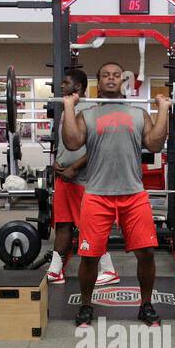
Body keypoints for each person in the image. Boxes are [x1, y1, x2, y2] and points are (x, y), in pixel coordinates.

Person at [60, 60, 169, 328]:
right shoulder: (87, 115)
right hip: (97, 194)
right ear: (99, 82)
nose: (111, 78)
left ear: (123, 81)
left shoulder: (137, 113)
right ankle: (86, 306)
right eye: (105, 75)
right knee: (90, 256)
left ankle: (145, 305)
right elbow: (72, 142)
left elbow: (154, 144)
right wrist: (68, 106)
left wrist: (163, 110)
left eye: (116, 75)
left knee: (146, 254)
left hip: (133, 194)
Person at [47, 68, 118, 286]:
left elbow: (99, 148)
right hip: (63, 180)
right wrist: (57, 164)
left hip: (82, 180)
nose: (60, 86)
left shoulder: (91, 111)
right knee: (63, 224)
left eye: (65, 82)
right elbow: (66, 145)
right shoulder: (66, 110)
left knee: (90, 227)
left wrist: (74, 168)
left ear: (77, 87)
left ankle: (108, 270)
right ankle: (56, 269)